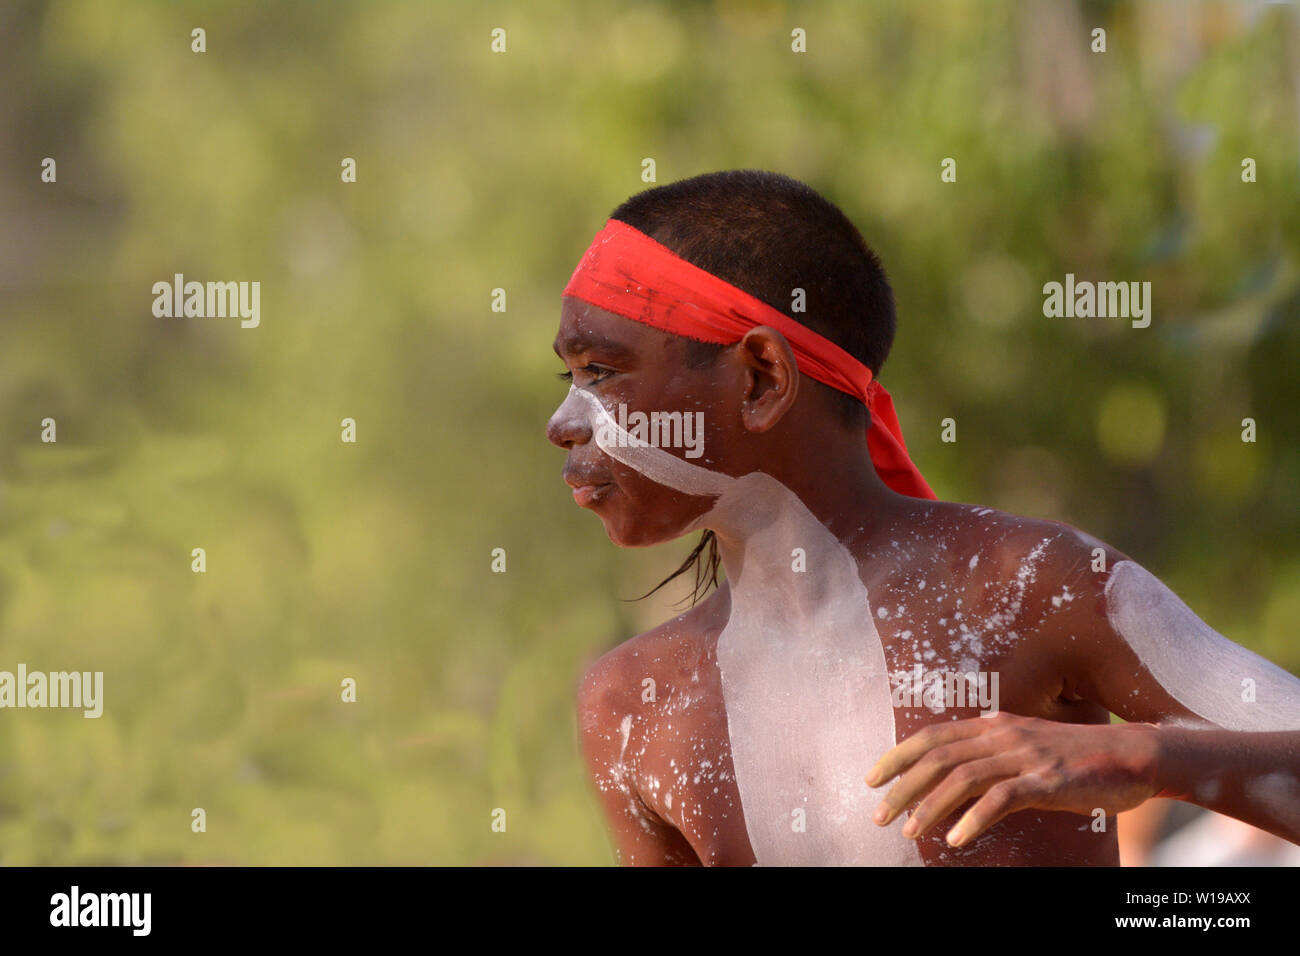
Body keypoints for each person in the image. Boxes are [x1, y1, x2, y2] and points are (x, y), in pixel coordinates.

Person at [546, 169, 1300, 866]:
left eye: (600, 373)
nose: (562, 421)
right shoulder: (627, 704)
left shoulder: (1034, 586)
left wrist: (1149, 762)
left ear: (762, 378)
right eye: (569, 377)